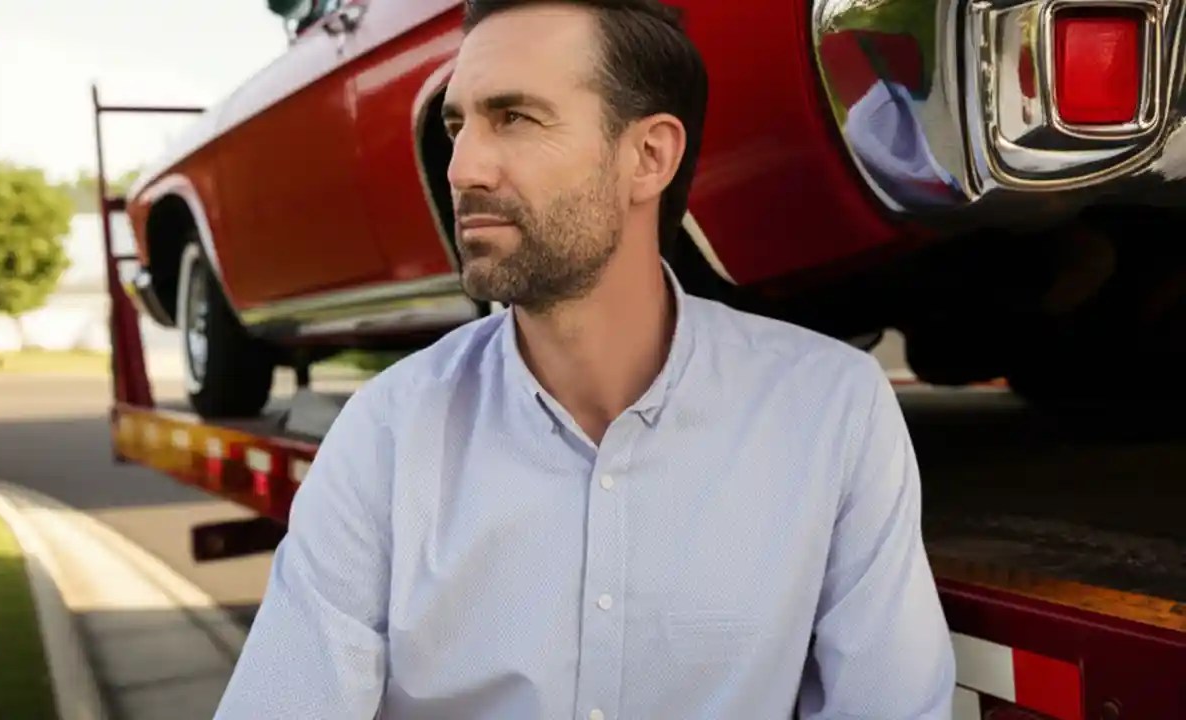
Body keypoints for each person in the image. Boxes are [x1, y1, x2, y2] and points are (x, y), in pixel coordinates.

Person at [213, 1, 956, 717]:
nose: (462, 167)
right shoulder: (387, 433)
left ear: (648, 157)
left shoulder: (831, 410)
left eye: (514, 118)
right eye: (456, 124)